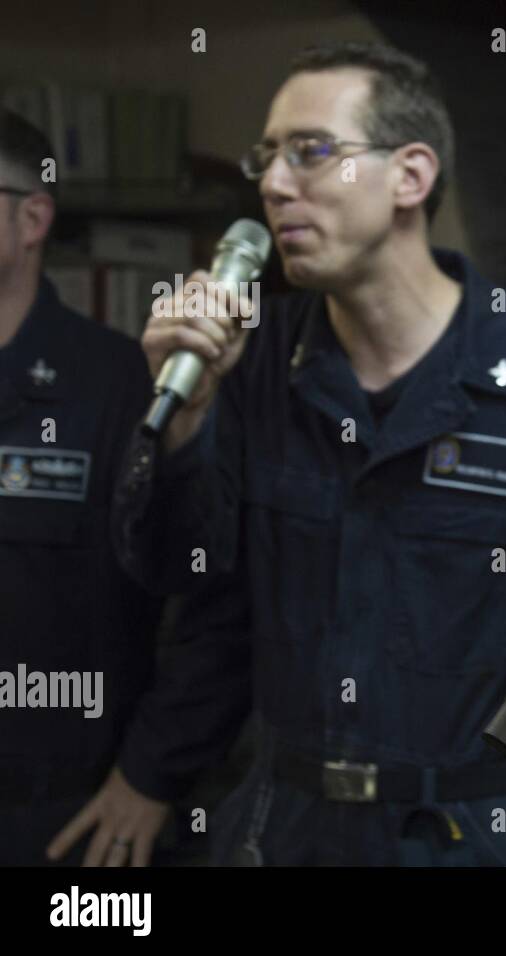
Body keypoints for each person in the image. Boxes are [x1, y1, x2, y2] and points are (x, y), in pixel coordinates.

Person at [111, 42, 506, 865]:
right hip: (285, 827)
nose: (274, 184)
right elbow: (191, 588)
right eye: (267, 157)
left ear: (410, 176)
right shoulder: (256, 362)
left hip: (471, 831)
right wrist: (186, 420)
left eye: (311, 152)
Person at [0, 108, 165, 865]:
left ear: (32, 218)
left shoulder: (113, 378)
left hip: (66, 813)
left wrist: (151, 775)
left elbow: (186, 604)